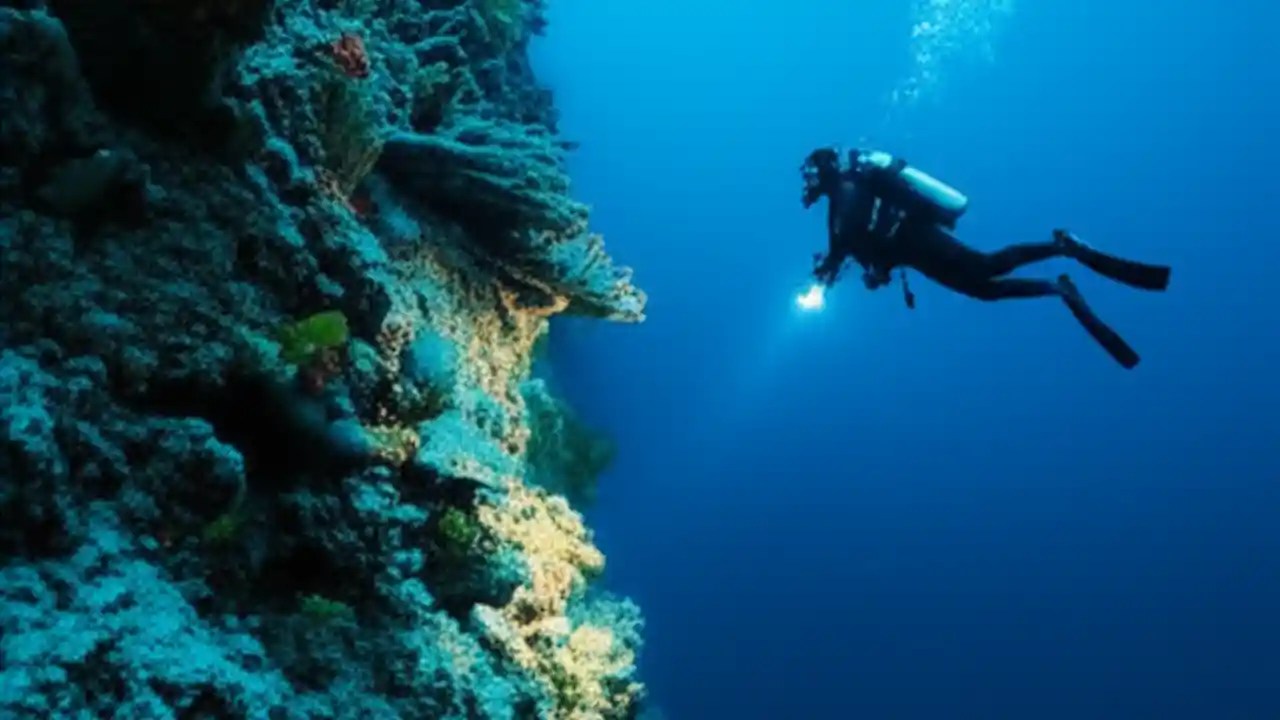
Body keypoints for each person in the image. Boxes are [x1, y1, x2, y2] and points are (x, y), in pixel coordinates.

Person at [800, 146, 1171, 369]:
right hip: (915, 254)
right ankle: (1058, 287)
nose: (808, 182)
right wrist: (864, 269)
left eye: (811, 173)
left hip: (918, 239)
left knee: (986, 267)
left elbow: (847, 236)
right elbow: (858, 243)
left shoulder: (847, 190)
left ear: (824, 169)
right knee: (984, 291)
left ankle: (1062, 247)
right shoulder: (842, 203)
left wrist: (829, 269)